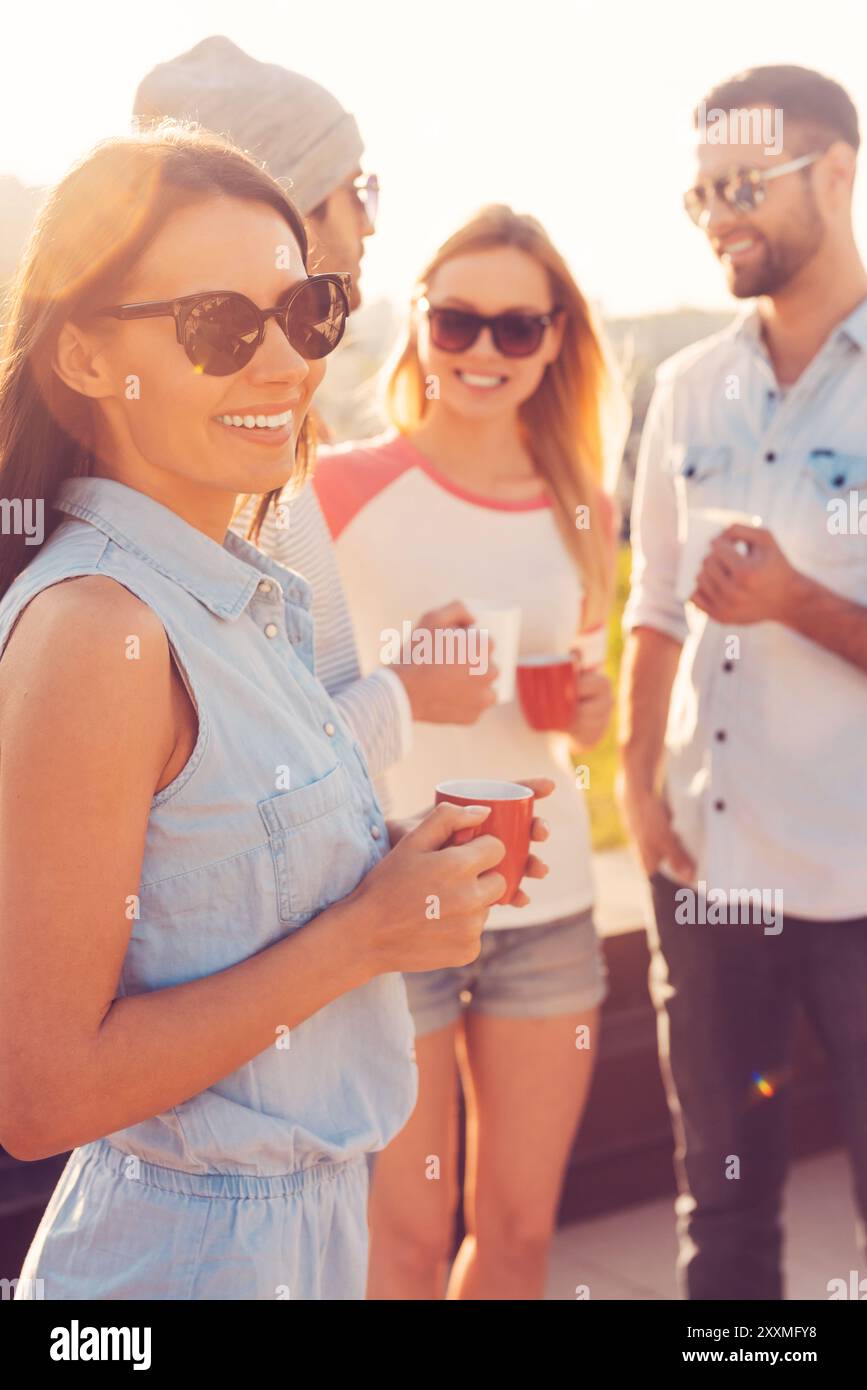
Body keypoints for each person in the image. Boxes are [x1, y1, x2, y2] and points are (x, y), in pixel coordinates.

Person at [0, 126, 551, 1301]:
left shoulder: (243, 598)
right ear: (88, 356)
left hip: (301, 1245)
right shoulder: (101, 630)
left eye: (305, 313)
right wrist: (367, 938)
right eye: (218, 325)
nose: (284, 365)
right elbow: (39, 1095)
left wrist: (398, 883)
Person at [313, 205, 630, 1299]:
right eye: (456, 323)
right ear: (419, 330)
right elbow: (282, 701)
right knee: (400, 1245)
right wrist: (406, 672)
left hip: (548, 908)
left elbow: (579, 715)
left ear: (555, 339)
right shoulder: (335, 489)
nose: (485, 351)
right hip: (389, 905)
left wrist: (586, 708)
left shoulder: (588, 506)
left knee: (521, 1237)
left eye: (516, 327)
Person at [618, 65, 867, 1301]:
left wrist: (798, 604)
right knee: (721, 1216)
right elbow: (652, 602)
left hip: (865, 884)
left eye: (742, 184)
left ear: (837, 171)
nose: (719, 213)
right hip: (714, 880)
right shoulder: (685, 386)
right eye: (700, 192)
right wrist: (630, 776)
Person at [133, 36, 495, 788]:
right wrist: (404, 692)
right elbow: (242, 785)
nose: (370, 224)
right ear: (286, 210)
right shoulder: (216, 451)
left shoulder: (266, 428)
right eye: (355, 189)